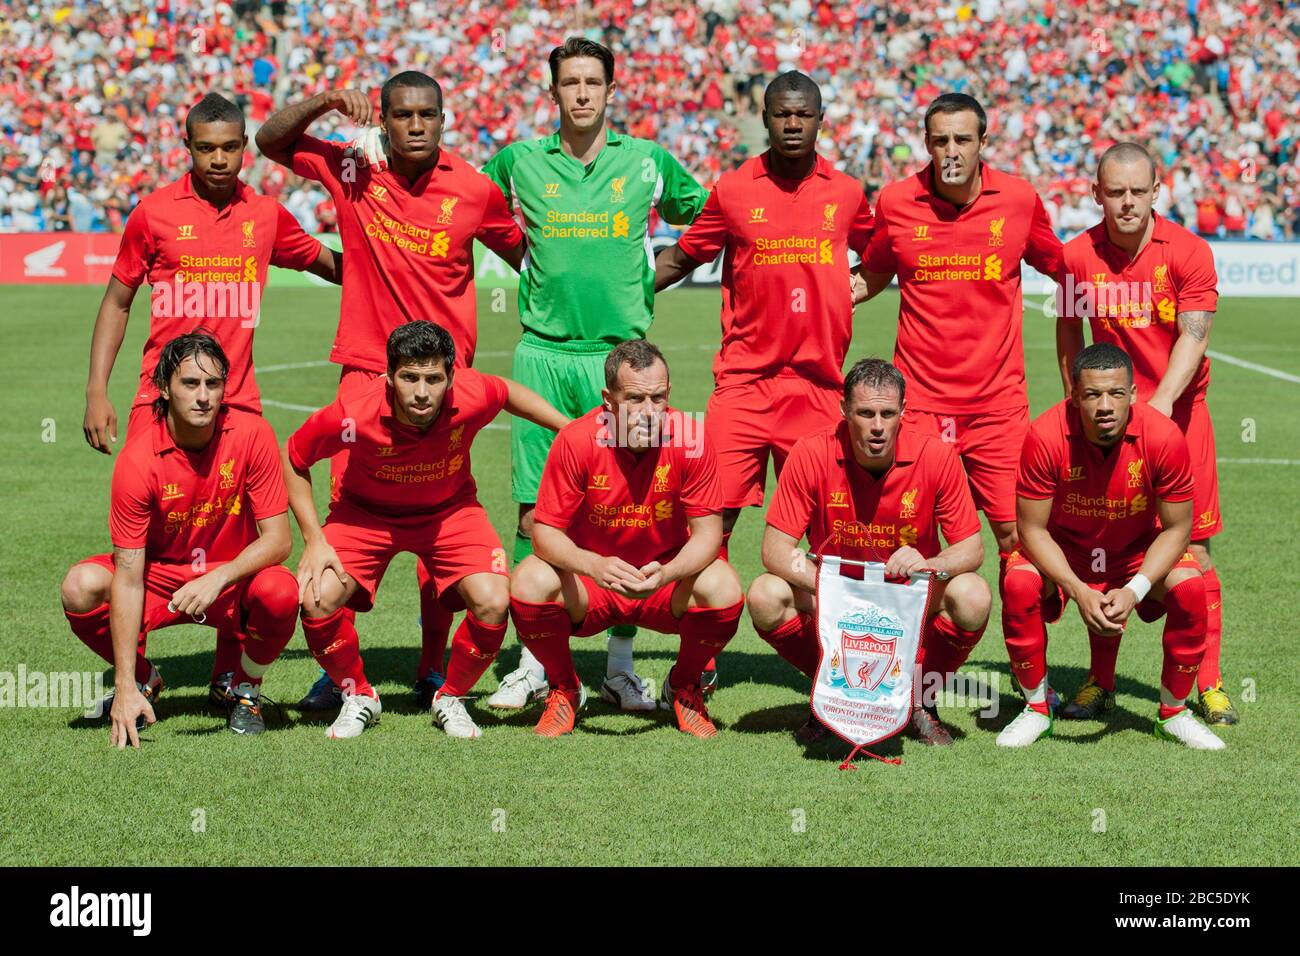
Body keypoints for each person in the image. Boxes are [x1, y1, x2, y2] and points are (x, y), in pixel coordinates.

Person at [256, 72, 527, 709]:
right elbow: (270, 141)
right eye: (401, 114)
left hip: (444, 382)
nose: (414, 124)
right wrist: (325, 101)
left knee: (441, 519)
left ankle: (433, 667)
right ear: (383, 120)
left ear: (443, 119)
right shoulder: (353, 170)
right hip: (364, 374)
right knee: (354, 516)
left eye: (426, 114)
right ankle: (340, 673)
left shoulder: (476, 190)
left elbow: (524, 257)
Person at [82, 93, 337, 706]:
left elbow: (329, 264)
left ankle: (229, 674)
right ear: (188, 147)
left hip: (238, 404)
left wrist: (397, 268)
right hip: (156, 403)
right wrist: (97, 390)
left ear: (244, 146)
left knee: (242, 543)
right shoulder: (152, 213)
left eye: (230, 147)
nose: (219, 159)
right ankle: (135, 672)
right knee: (142, 539)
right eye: (206, 148)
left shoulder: (267, 215)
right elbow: (118, 301)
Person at [480, 38, 709, 713]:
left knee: (631, 514)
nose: (581, 93)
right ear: (553, 91)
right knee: (532, 507)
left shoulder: (646, 161)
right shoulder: (520, 160)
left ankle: (618, 663)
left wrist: (658, 270)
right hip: (544, 354)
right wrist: (524, 256)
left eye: (592, 82)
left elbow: (706, 214)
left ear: (612, 90)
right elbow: (477, 209)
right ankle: (534, 664)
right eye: (570, 82)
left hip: (623, 361)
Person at [854, 93, 1064, 676]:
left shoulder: (1019, 199)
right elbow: (869, 275)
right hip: (918, 407)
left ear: (983, 143)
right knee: (912, 541)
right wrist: (802, 291)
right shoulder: (896, 201)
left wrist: (1134, 291)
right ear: (927, 142)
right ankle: (905, 675)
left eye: (962, 140)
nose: (951, 151)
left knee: (1018, 541)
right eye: (940, 140)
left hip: (998, 408)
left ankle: (1033, 691)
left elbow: (1066, 268)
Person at [283, 321, 568, 740]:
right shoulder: (353, 414)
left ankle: (450, 697)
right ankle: (358, 694)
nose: (421, 392)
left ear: (451, 377)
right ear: (388, 377)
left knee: (493, 602)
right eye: (409, 378)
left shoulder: (469, 395)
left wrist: (568, 427)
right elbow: (293, 458)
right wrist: (313, 539)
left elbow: (506, 392)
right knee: (315, 598)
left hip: (449, 513)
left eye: (434, 379)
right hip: (364, 515)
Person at [654, 71, 875, 554]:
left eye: (803, 115)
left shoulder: (846, 192)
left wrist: (850, 289)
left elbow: (881, 254)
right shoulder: (733, 189)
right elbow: (681, 258)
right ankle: (702, 623)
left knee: (829, 534)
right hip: (743, 387)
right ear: (765, 118)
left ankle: (825, 629)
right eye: (782, 114)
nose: (792, 124)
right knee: (707, 529)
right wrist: (616, 297)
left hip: (819, 387)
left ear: (821, 121)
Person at [1056, 142, 1235, 725]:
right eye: (1115, 192)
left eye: (1138, 191)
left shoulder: (1190, 250)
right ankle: (1100, 683)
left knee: (1194, 550)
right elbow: (1068, 335)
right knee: (1108, 549)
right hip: (1107, 425)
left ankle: (1204, 686)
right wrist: (1077, 407)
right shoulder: (1076, 256)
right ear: (1097, 194)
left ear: (1157, 190)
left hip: (1180, 420)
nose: (1127, 203)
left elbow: (1195, 335)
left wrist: (1156, 409)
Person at [61, 332, 299, 745]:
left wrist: (219, 577)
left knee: (281, 591)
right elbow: (129, 575)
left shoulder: (253, 434)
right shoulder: (137, 460)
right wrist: (123, 683)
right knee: (80, 587)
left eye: (213, 384)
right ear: (165, 388)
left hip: (229, 580)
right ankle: (142, 680)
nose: (203, 396)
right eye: (190, 384)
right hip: (157, 577)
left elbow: (279, 540)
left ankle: (244, 690)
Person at [746, 358, 989, 745]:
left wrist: (929, 564)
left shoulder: (937, 456)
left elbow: (971, 549)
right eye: (865, 413)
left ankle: (919, 698)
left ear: (903, 413)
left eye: (887, 413)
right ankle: (834, 693)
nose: (877, 426)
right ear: (843, 410)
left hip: (907, 594)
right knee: (764, 594)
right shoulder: (810, 453)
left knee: (972, 595)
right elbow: (776, 550)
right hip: (836, 593)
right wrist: (831, 586)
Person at [508, 341, 743, 738]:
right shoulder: (576, 439)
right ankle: (565, 689)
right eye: (634, 399)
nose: (649, 412)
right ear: (608, 400)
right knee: (529, 581)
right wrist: (593, 565)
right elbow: (544, 533)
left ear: (669, 394)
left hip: (662, 582)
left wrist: (668, 572)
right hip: (592, 584)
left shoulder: (691, 438)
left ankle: (683, 686)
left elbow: (707, 537)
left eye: (657, 398)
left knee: (723, 587)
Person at [999, 343, 1224, 750]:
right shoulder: (1045, 434)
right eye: (1092, 395)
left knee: (1191, 586)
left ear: (1134, 395)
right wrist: (1077, 588)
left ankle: (1173, 713)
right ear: (1074, 395)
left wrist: (1136, 587)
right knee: (1017, 583)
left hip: (1136, 549)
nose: (1105, 405)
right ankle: (1035, 709)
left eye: (1116, 394)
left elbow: (1177, 529)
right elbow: (1031, 529)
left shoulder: (1164, 436)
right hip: (1065, 548)